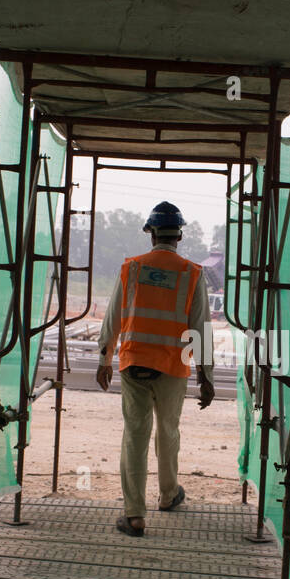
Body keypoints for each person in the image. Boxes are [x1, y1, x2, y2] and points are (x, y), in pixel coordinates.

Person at [96, 201, 215, 536]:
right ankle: (168, 495)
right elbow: (200, 328)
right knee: (168, 432)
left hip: (134, 363)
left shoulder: (132, 268)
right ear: (179, 235)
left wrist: (105, 359)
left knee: (135, 435)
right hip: (172, 368)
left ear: (150, 233)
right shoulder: (191, 273)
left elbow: (113, 316)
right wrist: (206, 377)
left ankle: (134, 515)